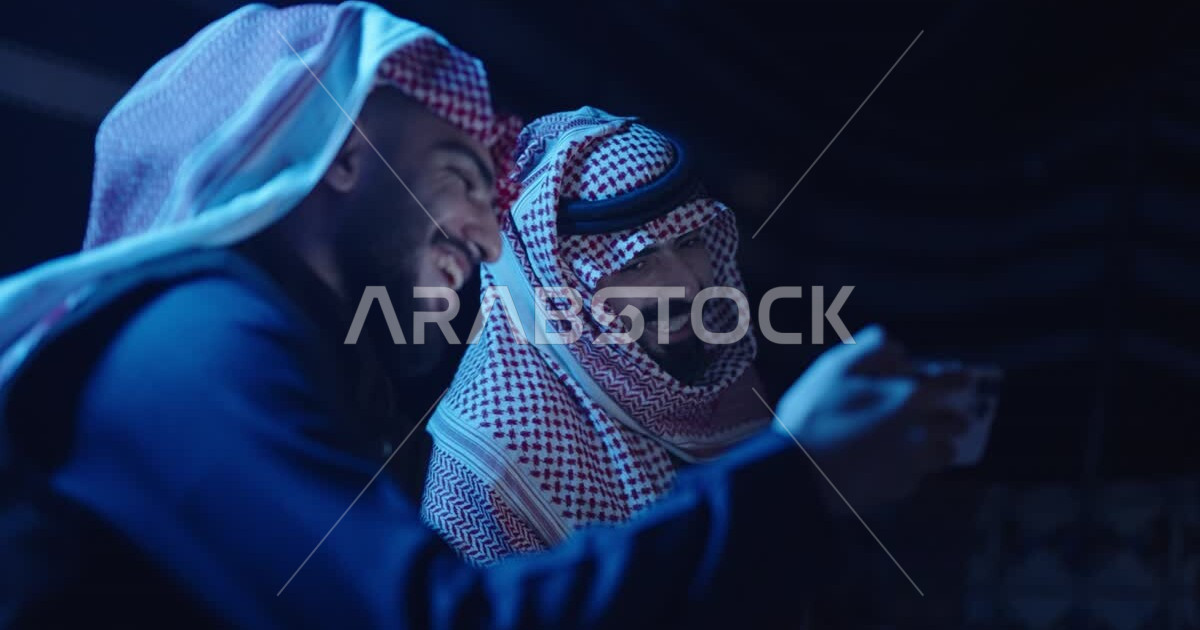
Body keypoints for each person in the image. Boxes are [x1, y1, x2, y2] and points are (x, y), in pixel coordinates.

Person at [0, 3, 968, 628]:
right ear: (342, 160)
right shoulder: (185, 344)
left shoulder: (279, 356)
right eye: (461, 177)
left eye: (691, 246)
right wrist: (800, 480)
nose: (490, 240)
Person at [422, 108, 774, 563]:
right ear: (556, 289)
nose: (688, 285)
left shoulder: (712, 368)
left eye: (689, 243)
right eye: (636, 264)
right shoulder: (487, 472)